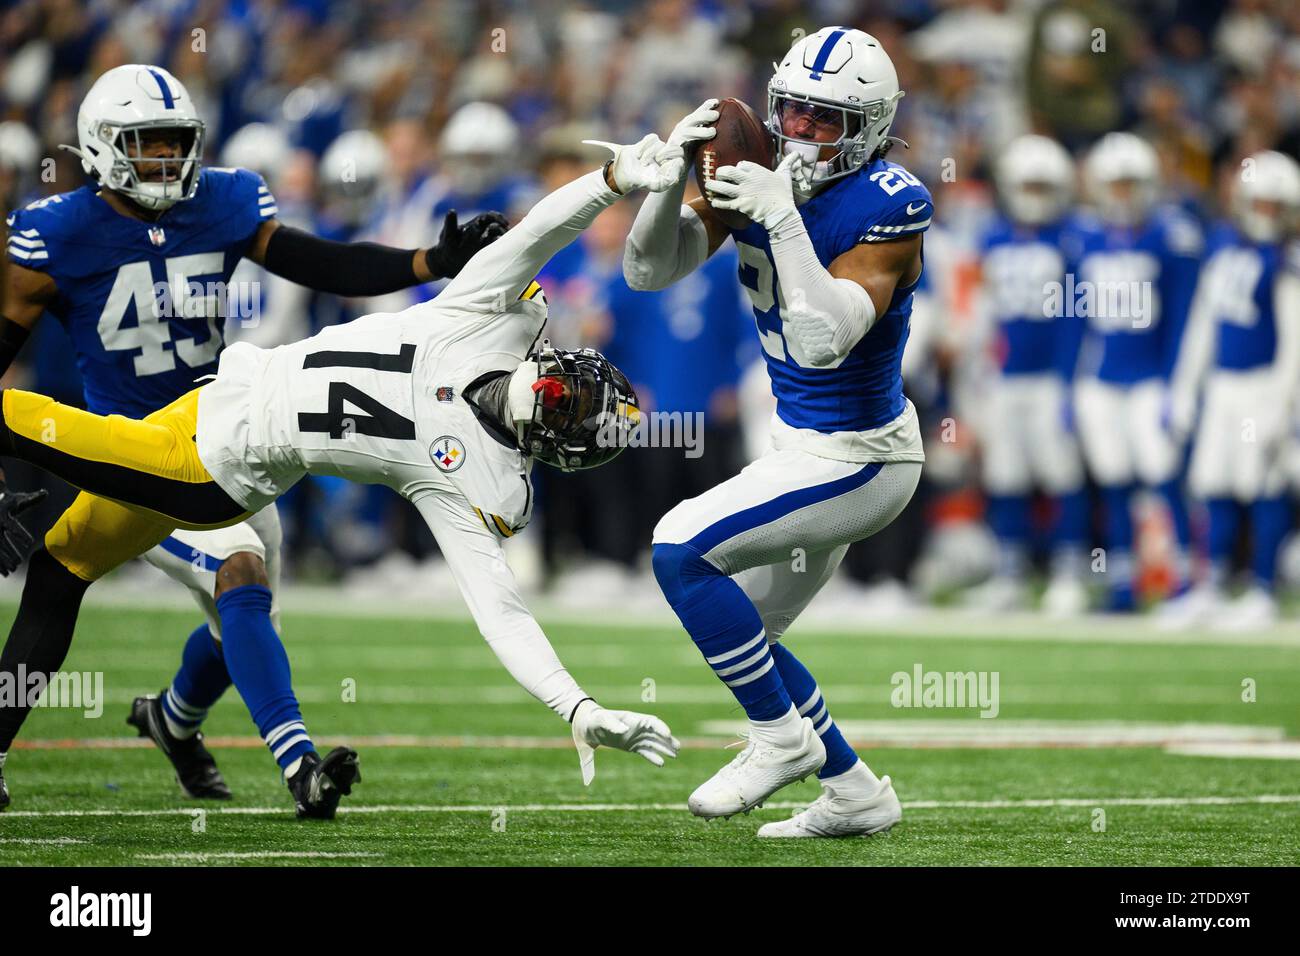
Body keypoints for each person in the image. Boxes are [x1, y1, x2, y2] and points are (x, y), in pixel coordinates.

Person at [0, 129, 688, 811]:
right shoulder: (495, 315)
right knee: (62, 569)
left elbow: (502, 612)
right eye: (573, 384)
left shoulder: (485, 482)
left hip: (208, 467)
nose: (554, 391)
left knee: (15, 415)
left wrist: (577, 707)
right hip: (205, 404)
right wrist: (612, 179)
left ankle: (258, 746)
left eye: (568, 410)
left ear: (558, 445)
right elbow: (538, 232)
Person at [0, 64, 507, 818]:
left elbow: (318, 261)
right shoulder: (57, 232)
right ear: (102, 148)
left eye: (177, 144)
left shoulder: (225, 202)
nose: (167, 162)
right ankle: (301, 767)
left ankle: (171, 720)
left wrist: (428, 264)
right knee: (234, 573)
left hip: (228, 430)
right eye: (149, 146)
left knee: (241, 616)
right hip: (135, 454)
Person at [624, 27, 928, 838]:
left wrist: (784, 220)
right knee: (746, 632)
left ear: (867, 126)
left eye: (823, 121)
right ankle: (857, 792)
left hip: (864, 459)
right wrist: (663, 189)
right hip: (799, 447)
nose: (798, 134)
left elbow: (829, 337)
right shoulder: (759, 173)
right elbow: (648, 270)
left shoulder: (889, 203)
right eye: (789, 112)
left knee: (680, 548)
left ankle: (780, 740)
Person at [1168, 150, 1300, 627]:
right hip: (1222, 385)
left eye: (1273, 204)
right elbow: (1204, 324)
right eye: (1259, 202)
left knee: (1261, 486)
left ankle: (1263, 589)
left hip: (1263, 385)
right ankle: (1210, 586)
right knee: (1213, 484)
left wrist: (1284, 406)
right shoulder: (1223, 245)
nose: (1265, 213)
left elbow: (1293, 341)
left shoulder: (1285, 257)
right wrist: (1185, 387)